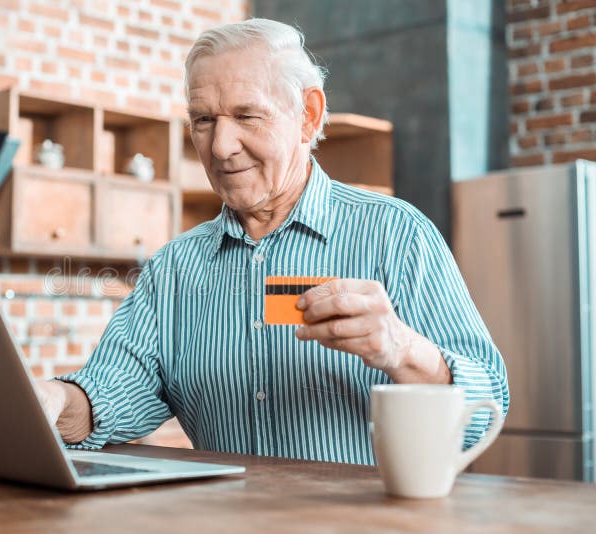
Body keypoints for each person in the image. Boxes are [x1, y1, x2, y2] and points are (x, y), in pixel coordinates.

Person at [37, 18, 509, 464]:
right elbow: (109, 395)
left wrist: (403, 350)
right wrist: (54, 398)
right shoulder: (175, 267)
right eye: (203, 121)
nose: (220, 146)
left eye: (246, 115)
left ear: (308, 114)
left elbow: (488, 403)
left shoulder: (398, 236)